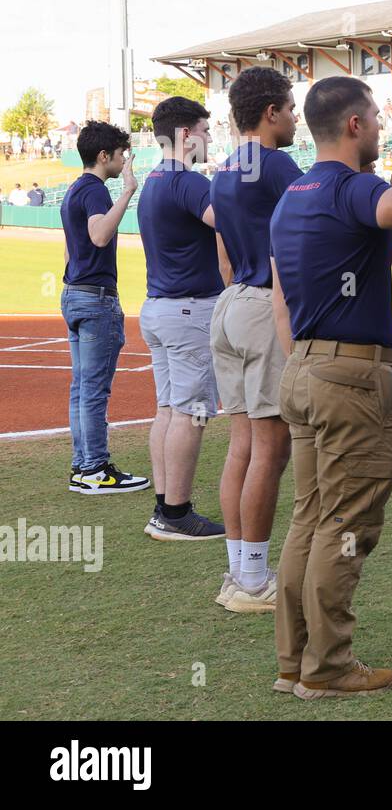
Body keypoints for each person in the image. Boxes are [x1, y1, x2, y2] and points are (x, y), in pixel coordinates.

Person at [270, 77, 392, 699]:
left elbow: (279, 292)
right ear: (353, 125)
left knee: (309, 519)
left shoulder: (291, 194)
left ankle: (295, 661)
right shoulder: (350, 188)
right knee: (344, 525)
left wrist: (305, 359)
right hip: (348, 376)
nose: (380, 128)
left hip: (303, 369)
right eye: (374, 118)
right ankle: (327, 668)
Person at [208, 67, 301, 613]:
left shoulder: (224, 168)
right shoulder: (277, 163)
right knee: (270, 448)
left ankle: (240, 573)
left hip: (232, 303)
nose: (293, 118)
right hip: (264, 306)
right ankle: (251, 581)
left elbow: (224, 244)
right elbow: (316, 219)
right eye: (289, 109)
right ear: (270, 112)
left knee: (242, 444)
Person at [137, 96, 226, 542]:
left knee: (169, 409)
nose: (210, 138)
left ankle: (164, 506)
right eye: (206, 131)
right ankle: (176, 512)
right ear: (187, 135)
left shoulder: (156, 180)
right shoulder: (186, 182)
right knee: (191, 412)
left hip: (160, 308)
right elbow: (231, 223)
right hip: (188, 310)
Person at [61, 121, 150, 495]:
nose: (123, 161)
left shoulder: (73, 190)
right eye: (120, 155)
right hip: (95, 298)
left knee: (81, 387)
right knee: (94, 389)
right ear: (104, 156)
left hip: (74, 292)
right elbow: (99, 235)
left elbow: (70, 248)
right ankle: (96, 469)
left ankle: (84, 466)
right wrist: (128, 191)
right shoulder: (96, 191)